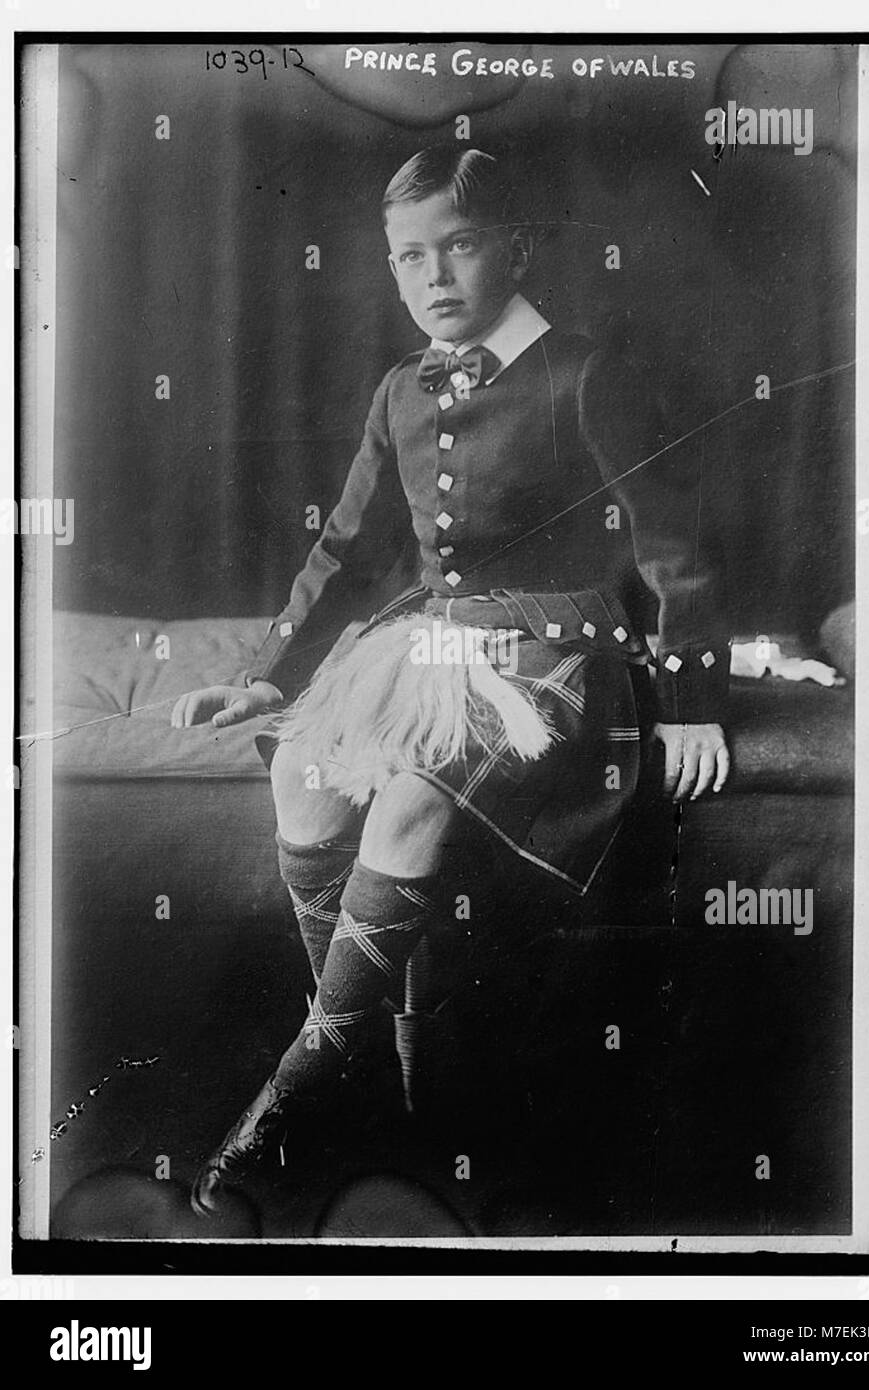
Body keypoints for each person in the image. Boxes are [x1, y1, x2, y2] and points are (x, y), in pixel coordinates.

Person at [171, 146, 731, 1217]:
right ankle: (371, 1071)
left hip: (549, 654)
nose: (435, 277)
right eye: (409, 256)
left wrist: (695, 695)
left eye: (460, 246)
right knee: (305, 777)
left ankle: (304, 1081)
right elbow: (342, 550)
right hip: (427, 646)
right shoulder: (399, 386)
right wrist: (264, 677)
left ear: (513, 248)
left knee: (416, 796)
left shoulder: (582, 373)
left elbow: (673, 543)